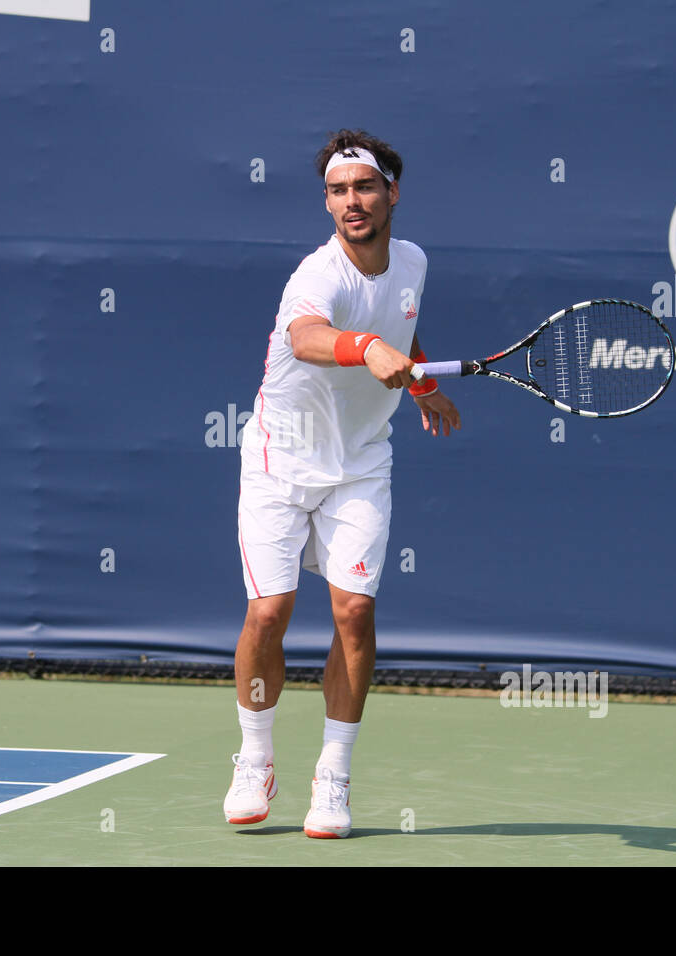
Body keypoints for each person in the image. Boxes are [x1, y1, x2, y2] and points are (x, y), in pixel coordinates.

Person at [225, 129, 461, 838]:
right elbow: (307, 338)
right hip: (279, 460)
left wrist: (419, 385)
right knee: (269, 614)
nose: (350, 203)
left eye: (363, 188)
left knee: (354, 612)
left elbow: (396, 323)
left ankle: (333, 776)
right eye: (336, 191)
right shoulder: (315, 274)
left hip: (360, 460)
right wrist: (368, 350)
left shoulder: (413, 261)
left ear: (392, 193)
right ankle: (256, 756)